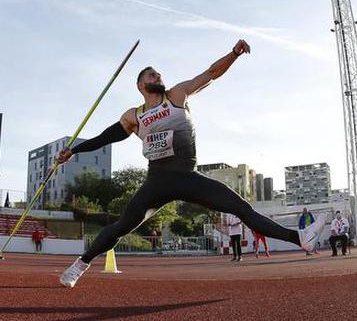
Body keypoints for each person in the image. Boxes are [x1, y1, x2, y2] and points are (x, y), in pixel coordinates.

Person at [56, 40, 309, 288]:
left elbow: (210, 74)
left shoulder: (177, 95)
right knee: (121, 226)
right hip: (157, 182)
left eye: (159, 74)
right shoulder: (134, 116)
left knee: (241, 208)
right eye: (153, 75)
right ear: (141, 85)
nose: (158, 76)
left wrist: (234, 54)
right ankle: (80, 265)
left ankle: (300, 239)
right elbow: (104, 138)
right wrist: (73, 151)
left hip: (187, 177)